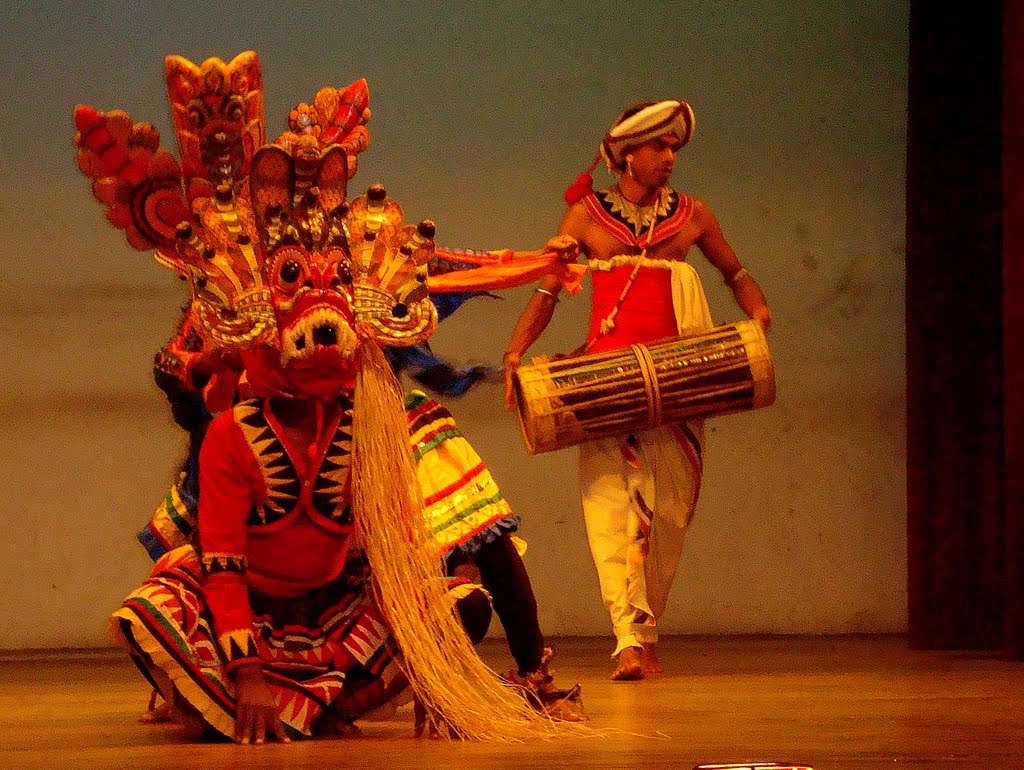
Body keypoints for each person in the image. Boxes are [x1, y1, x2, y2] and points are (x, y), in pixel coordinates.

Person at [74, 50, 575, 743]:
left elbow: (442, 277)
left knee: (470, 552)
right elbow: (191, 367)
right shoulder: (235, 279)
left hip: (374, 431)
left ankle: (527, 674)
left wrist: (540, 263)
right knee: (184, 559)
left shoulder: (353, 264)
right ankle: (232, 678)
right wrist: (205, 364)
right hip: (252, 436)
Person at [502, 100, 772, 681]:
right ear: (628, 154)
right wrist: (514, 352)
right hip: (606, 380)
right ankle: (626, 638)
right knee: (609, 507)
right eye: (660, 147)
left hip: (680, 381)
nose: (672, 157)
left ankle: (648, 634)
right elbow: (550, 292)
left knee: (668, 512)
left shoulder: (694, 214)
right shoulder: (585, 217)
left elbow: (735, 271)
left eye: (675, 148)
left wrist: (757, 311)